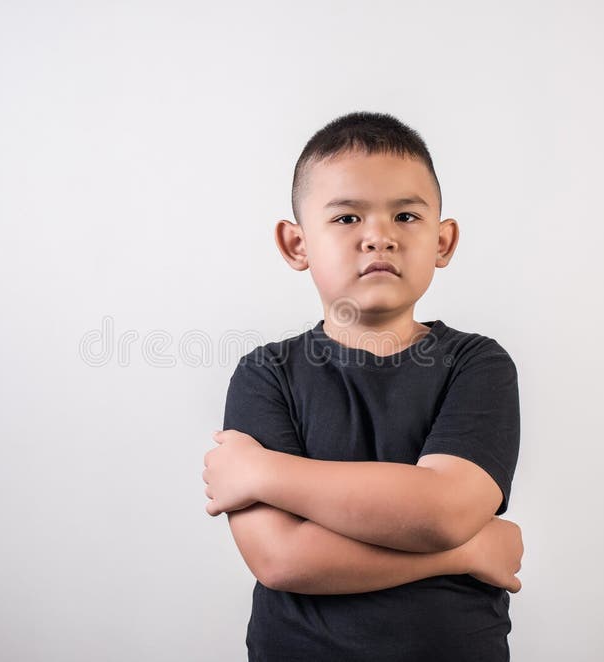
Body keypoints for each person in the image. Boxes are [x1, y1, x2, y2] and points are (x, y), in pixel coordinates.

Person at [202, 111, 524, 661]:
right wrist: (464, 551)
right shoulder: (266, 374)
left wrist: (262, 471)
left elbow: (441, 512)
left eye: (405, 215)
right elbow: (283, 559)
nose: (379, 237)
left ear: (443, 241)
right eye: (347, 218)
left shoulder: (476, 364)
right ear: (296, 244)